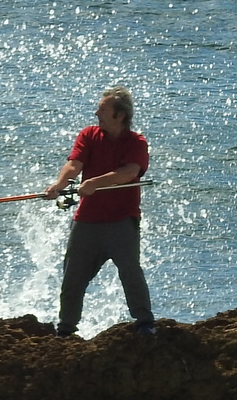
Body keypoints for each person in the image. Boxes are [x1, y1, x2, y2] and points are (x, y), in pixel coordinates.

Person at [42, 86, 155, 336]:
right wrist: (59, 185)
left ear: (120, 115)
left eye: (103, 109)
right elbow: (74, 164)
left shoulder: (136, 142)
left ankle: (145, 322)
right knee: (72, 277)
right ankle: (66, 328)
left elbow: (130, 172)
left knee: (130, 271)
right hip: (87, 222)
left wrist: (94, 183)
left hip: (122, 222)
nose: (96, 113)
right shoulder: (89, 135)